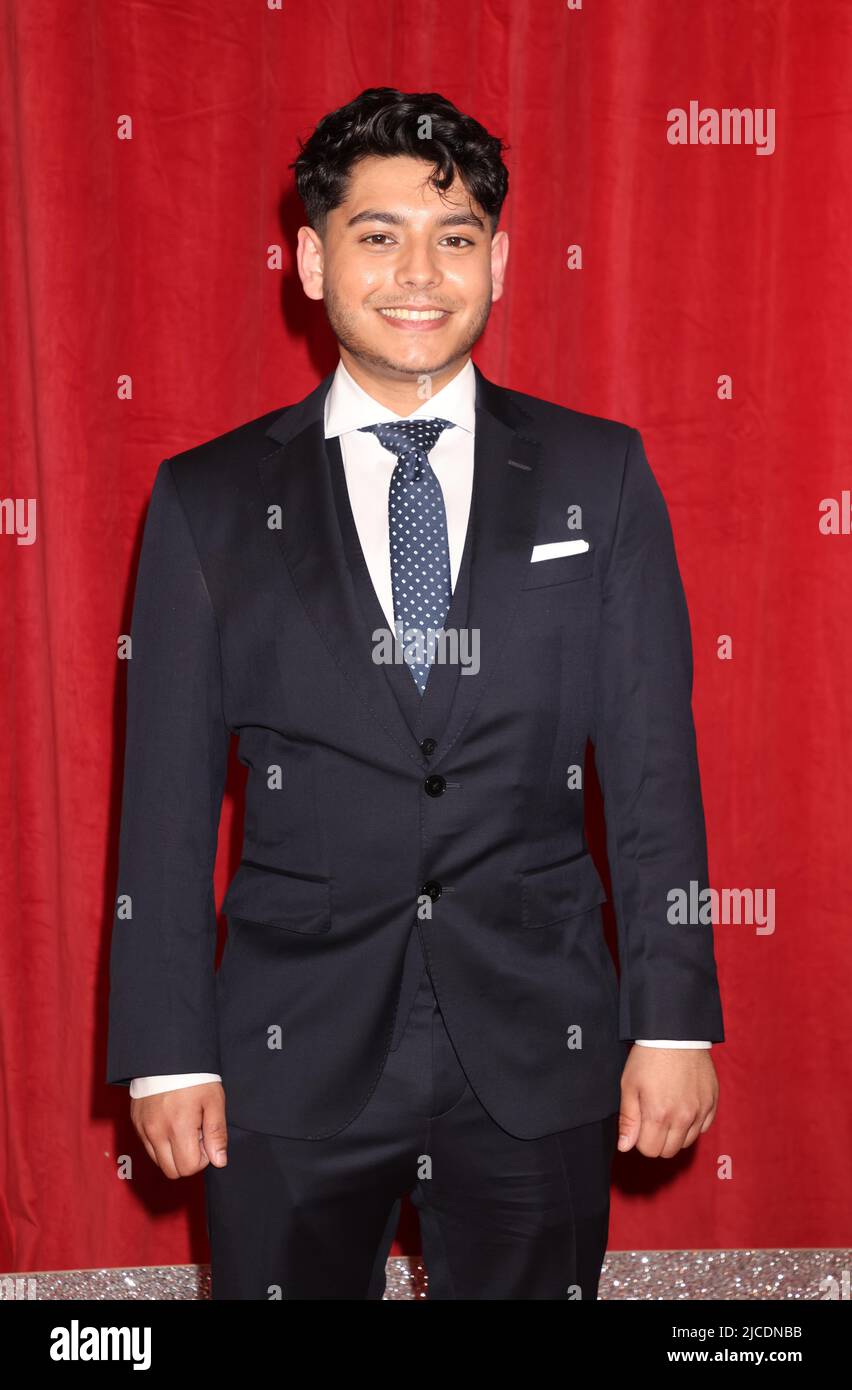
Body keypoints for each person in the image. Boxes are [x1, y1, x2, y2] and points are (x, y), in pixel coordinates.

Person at [106, 86, 724, 1300]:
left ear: (497, 258)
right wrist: (164, 1052)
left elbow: (655, 769)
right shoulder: (209, 499)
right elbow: (165, 808)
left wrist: (676, 1018)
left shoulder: (600, 475)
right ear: (308, 259)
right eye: (377, 235)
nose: (418, 273)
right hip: (287, 1051)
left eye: (454, 237)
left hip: (540, 1045)